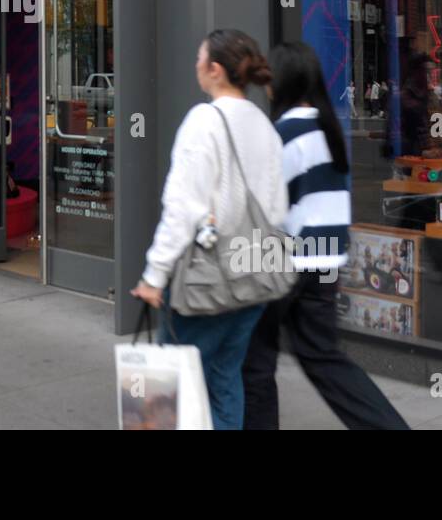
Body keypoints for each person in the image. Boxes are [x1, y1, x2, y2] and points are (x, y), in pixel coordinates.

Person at [242, 41, 409, 430]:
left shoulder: (283, 134)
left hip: (289, 263)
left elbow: (264, 210)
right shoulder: (328, 129)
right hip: (326, 261)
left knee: (255, 362)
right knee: (324, 358)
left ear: (280, 83)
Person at [131, 29, 287, 430]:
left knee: (171, 392)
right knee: (224, 377)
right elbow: (277, 210)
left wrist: (154, 275)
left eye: (200, 59)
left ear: (215, 69)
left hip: (208, 280)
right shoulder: (265, 126)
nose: (196, 65)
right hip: (256, 278)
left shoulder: (205, 120)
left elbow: (182, 207)